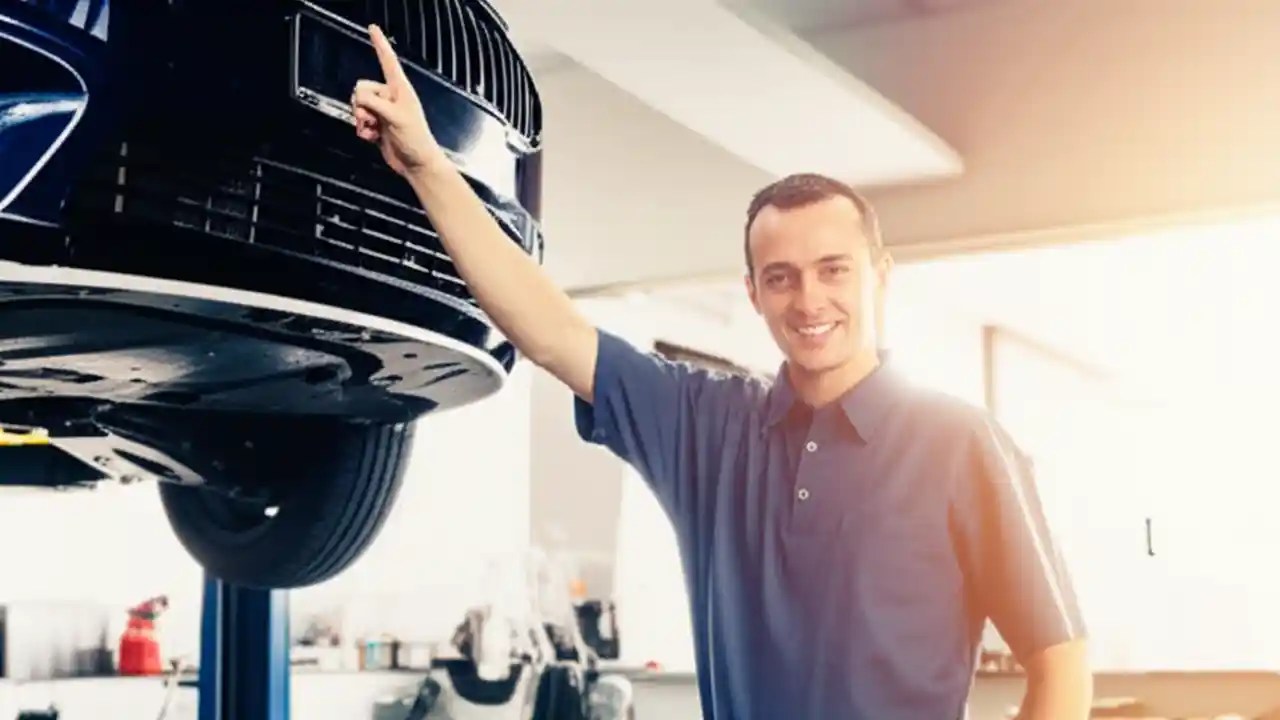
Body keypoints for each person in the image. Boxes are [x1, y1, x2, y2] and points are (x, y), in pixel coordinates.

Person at [350, 23, 1092, 719]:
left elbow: (1060, 662)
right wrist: (429, 167)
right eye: (781, 277)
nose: (810, 301)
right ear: (754, 293)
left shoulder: (959, 441)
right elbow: (551, 334)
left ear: (879, 274)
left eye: (834, 270)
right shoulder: (707, 424)